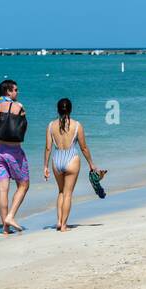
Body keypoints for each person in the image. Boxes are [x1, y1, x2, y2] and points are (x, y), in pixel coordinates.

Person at [44, 98, 104, 232]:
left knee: (60, 192)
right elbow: (84, 148)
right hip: (71, 159)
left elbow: (48, 148)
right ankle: (64, 225)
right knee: (68, 194)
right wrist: (91, 164)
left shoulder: (50, 126)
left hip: (57, 158)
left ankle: (59, 222)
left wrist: (45, 166)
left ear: (58, 110)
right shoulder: (77, 125)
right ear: (70, 109)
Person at [0, 79, 30, 234]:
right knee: (23, 185)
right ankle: (10, 217)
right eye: (15, 90)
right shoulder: (18, 107)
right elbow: (23, 128)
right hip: (13, 152)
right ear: (8, 92)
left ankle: (5, 228)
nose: (17, 92)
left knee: (2, 190)